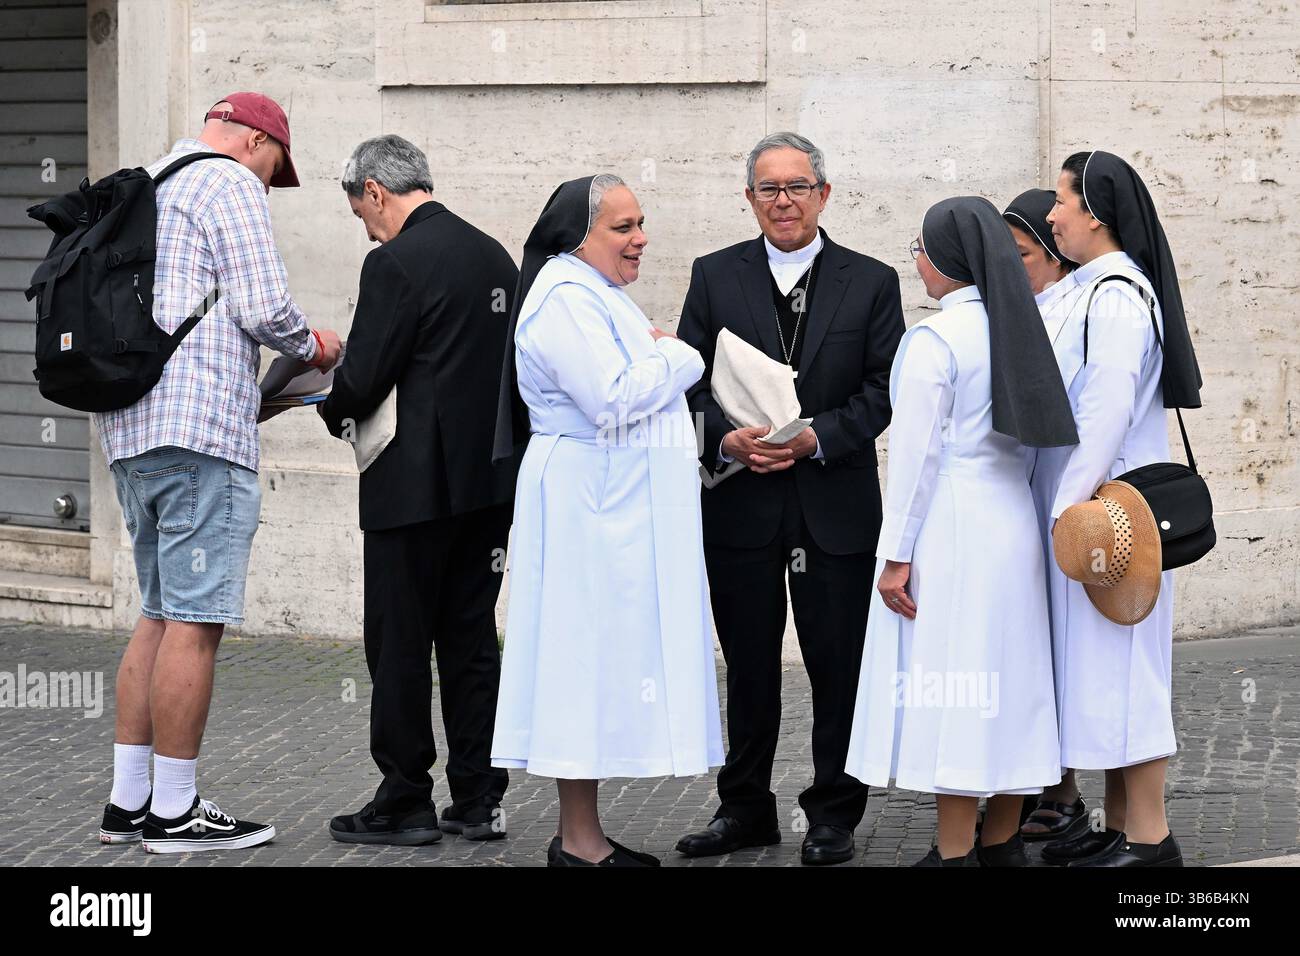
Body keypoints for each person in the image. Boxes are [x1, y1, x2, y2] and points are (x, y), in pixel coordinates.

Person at [95, 92, 341, 853]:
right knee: (196, 625)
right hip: (201, 433)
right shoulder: (228, 182)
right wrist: (316, 346)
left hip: (132, 427)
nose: (269, 185)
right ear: (255, 141)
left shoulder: (148, 178)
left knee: (159, 613)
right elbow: (265, 308)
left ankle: (127, 801)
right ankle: (175, 812)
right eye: (276, 168)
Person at [674, 132, 905, 865]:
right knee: (747, 665)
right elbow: (683, 385)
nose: (784, 201)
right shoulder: (712, 277)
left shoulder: (870, 281)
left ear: (824, 195)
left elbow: (883, 395)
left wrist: (817, 438)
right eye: (769, 189)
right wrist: (724, 439)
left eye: (797, 186)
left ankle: (834, 812)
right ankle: (743, 809)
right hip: (741, 502)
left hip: (833, 504)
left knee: (838, 663)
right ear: (749, 200)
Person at [490, 175, 724, 866]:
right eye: (623, 227)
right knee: (577, 663)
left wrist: (659, 353)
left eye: (641, 223)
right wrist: (680, 352)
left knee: (593, 667)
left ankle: (581, 836)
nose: (641, 238)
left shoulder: (594, 294)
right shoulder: (564, 297)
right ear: (578, 235)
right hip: (584, 506)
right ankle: (578, 842)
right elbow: (614, 398)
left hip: (608, 504)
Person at [843, 196, 1079, 867]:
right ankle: (999, 844)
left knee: (952, 685)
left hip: (951, 527)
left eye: (919, 247)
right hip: (1011, 524)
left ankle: (953, 855)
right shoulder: (1021, 328)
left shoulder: (935, 340)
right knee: (1007, 683)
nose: (915, 260)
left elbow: (915, 460)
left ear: (947, 257)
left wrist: (894, 557)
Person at [320, 135, 521, 846]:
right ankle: (478, 798)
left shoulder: (394, 261)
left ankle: (404, 799)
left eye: (360, 212)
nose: (366, 228)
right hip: (489, 486)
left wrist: (326, 401)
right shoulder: (493, 254)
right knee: (470, 641)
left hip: (411, 489)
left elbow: (364, 378)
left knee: (400, 644)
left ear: (376, 190)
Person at [1038, 150, 1202, 867]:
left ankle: (1149, 841)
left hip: (1110, 520)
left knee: (1126, 673)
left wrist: (1064, 512)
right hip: (1098, 512)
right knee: (1105, 675)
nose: (1052, 215)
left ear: (1096, 213)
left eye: (1062, 201)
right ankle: (1118, 829)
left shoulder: (1115, 298)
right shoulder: (1095, 289)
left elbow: (1102, 414)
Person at [1003, 188, 1091, 843]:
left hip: (1061, 498)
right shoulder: (1008, 311)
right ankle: (1017, 779)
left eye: (1024, 254)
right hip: (1011, 500)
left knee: (1058, 644)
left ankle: (1062, 786)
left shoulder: (1073, 308)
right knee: (1016, 644)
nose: (1013, 266)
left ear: (1055, 255)